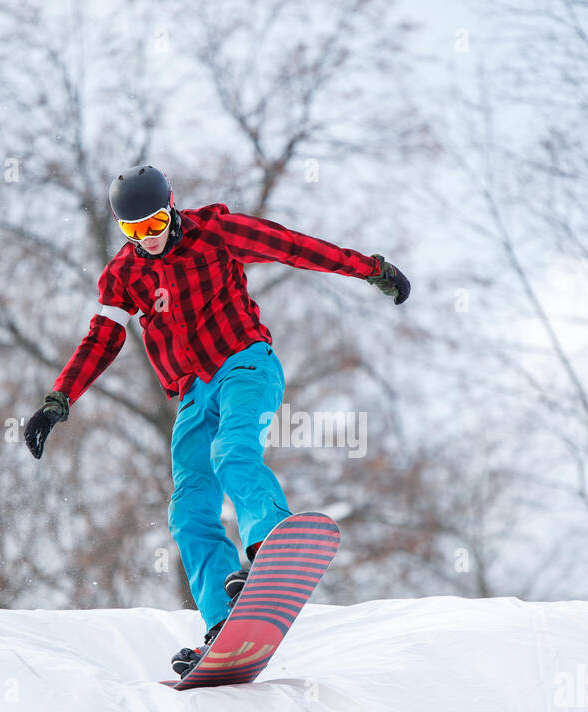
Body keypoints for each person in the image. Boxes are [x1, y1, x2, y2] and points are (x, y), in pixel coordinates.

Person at [24, 164, 409, 676]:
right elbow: (102, 338)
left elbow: (294, 246)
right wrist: (58, 400)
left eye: (155, 225)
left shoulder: (217, 233)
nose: (147, 239)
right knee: (187, 513)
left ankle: (269, 542)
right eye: (134, 232)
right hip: (192, 392)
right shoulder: (124, 275)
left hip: (246, 363)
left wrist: (370, 268)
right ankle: (224, 623)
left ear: (171, 209)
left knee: (232, 451)